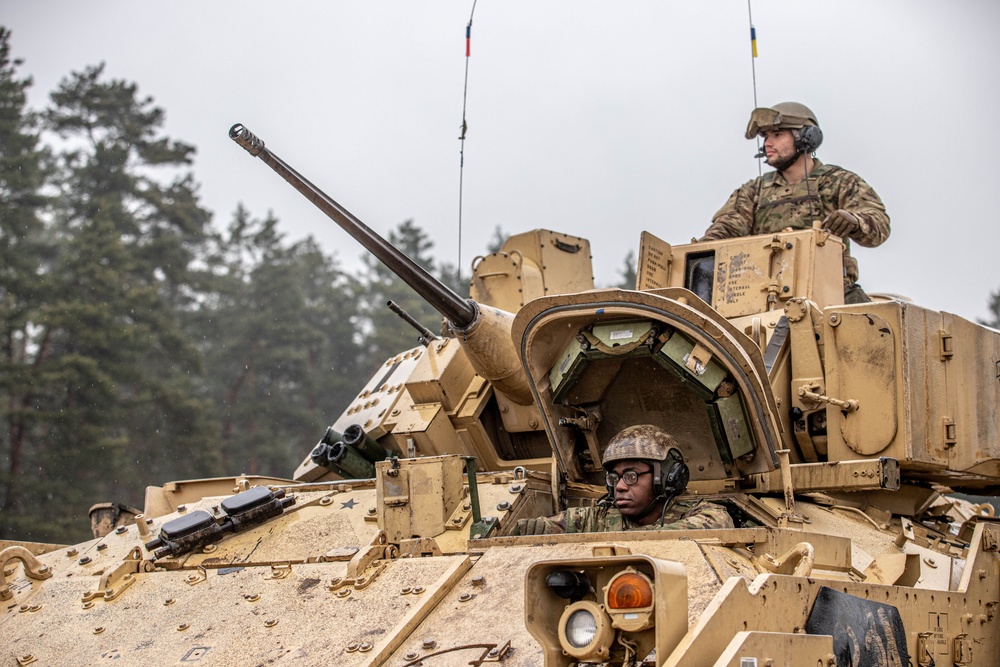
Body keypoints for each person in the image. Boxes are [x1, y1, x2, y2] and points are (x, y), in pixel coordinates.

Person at [700, 102, 890, 304]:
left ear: (806, 137)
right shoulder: (754, 191)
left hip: (832, 295)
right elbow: (724, 230)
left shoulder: (838, 182)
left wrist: (855, 221)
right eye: (765, 137)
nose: (767, 144)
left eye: (777, 135)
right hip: (764, 296)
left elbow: (879, 225)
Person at [511, 425, 733, 535]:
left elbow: (719, 523)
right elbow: (541, 528)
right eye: (614, 477)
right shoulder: (599, 519)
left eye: (631, 475)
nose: (620, 486)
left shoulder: (701, 514)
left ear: (666, 478)